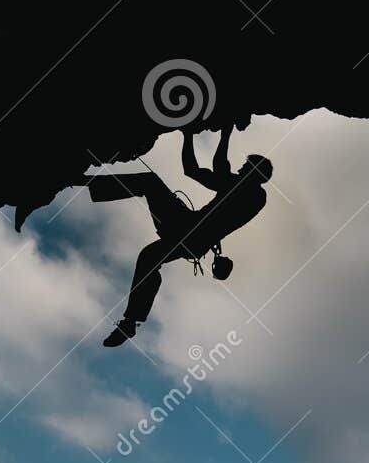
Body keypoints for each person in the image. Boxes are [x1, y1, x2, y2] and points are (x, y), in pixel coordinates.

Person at [89, 125, 272, 347]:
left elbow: (219, 167)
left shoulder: (254, 195)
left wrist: (225, 134)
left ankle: (130, 321)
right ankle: (130, 322)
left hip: (190, 231)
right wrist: (188, 137)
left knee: (149, 244)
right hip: (190, 231)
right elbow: (192, 170)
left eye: (245, 167)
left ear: (255, 174)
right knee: (149, 252)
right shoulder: (243, 189)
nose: (241, 170)